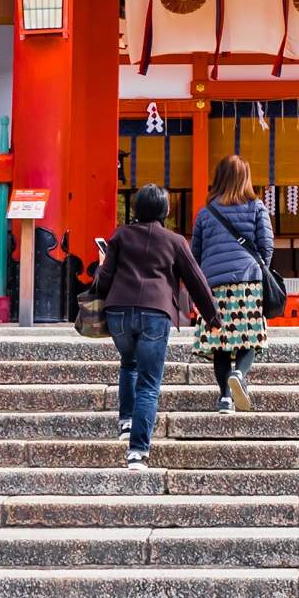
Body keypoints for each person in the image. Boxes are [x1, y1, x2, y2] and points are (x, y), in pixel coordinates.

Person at [83, 185, 219, 469]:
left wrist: (101, 279)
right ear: (165, 211)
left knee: (128, 364)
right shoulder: (175, 241)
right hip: (155, 313)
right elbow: (197, 282)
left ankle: (126, 422)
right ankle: (137, 452)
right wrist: (213, 319)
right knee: (148, 383)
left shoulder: (120, 235)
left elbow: (104, 278)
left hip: (119, 312)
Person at [192, 156, 274, 413]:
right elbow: (266, 246)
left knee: (220, 344)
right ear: (246, 178)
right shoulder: (256, 207)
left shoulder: (206, 212)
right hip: (248, 282)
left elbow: (196, 253)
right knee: (249, 339)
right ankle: (239, 373)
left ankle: (225, 398)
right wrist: (260, 271)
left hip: (213, 286)